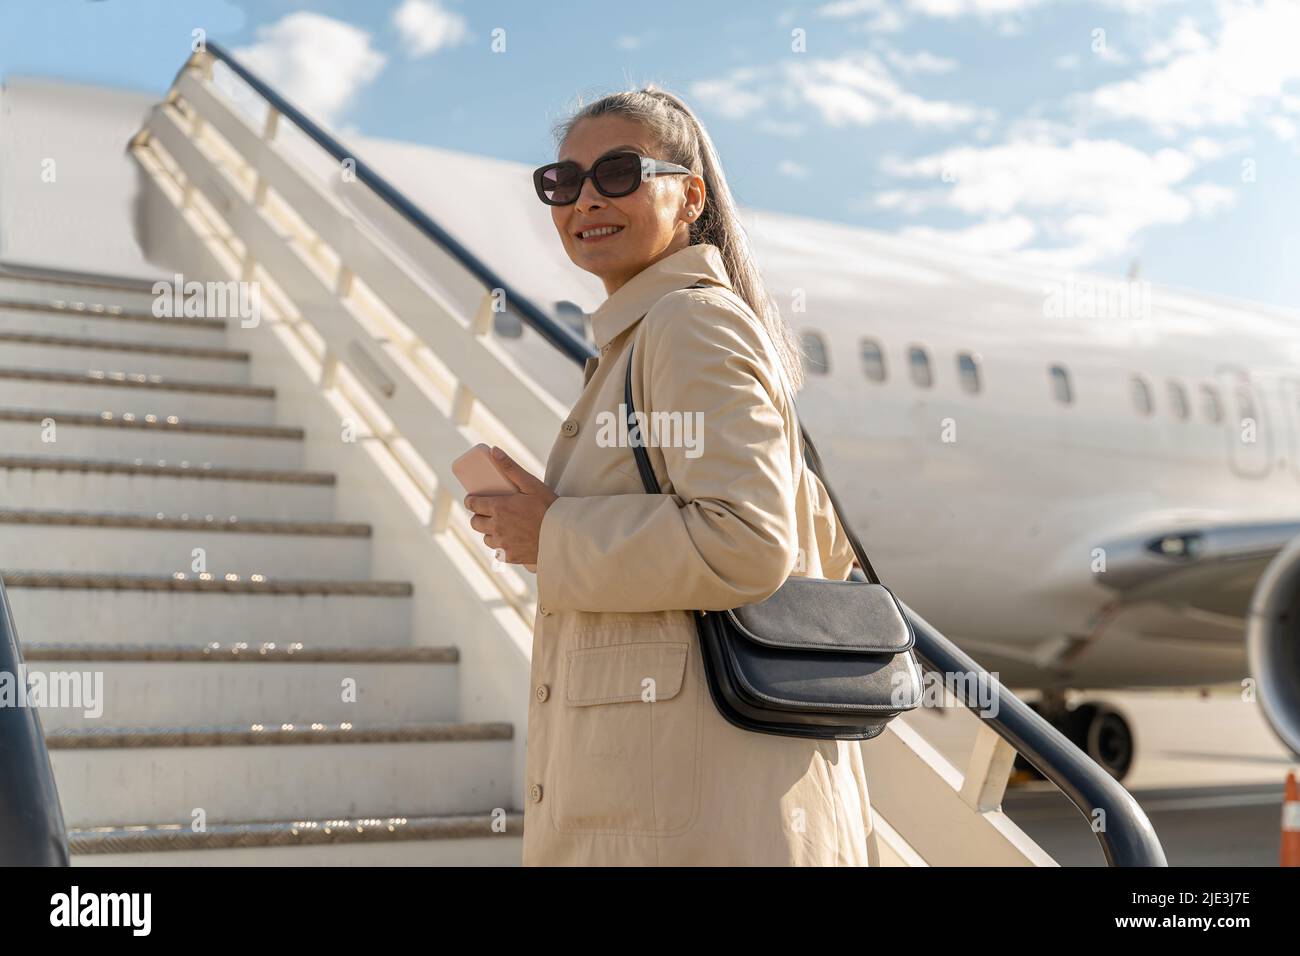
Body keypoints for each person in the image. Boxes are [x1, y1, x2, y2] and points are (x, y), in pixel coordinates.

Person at [463, 87, 873, 865]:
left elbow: (748, 542)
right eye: (563, 182)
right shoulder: (644, 335)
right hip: (676, 801)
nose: (585, 198)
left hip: (696, 821)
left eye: (617, 173)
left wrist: (553, 533)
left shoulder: (689, 324)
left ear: (689, 196)